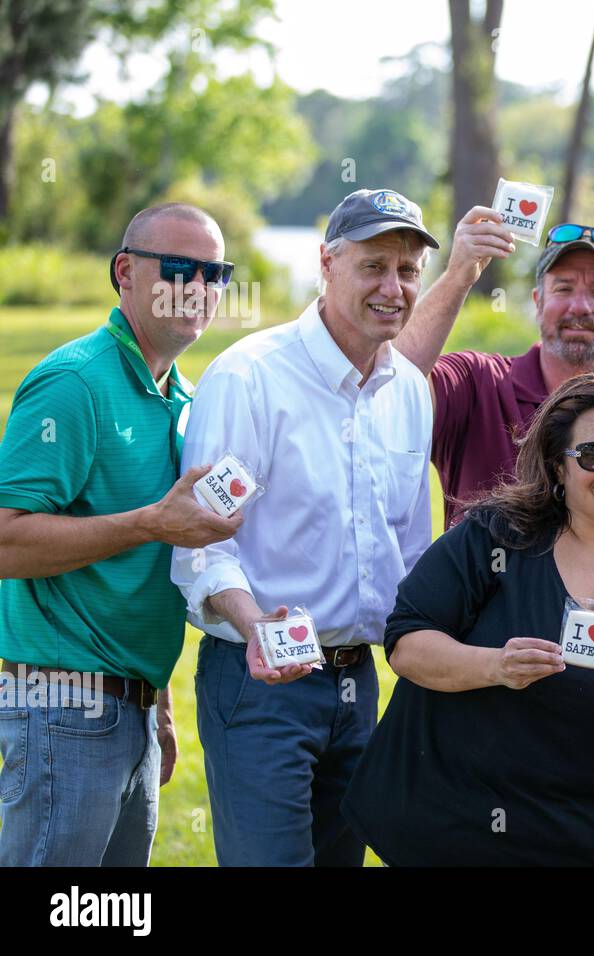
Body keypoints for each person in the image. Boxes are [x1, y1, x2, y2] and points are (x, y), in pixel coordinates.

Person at [341, 373, 594, 865]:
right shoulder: (494, 538)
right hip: (468, 834)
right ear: (558, 467)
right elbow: (405, 642)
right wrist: (495, 667)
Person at [171, 188, 437, 866]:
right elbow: (199, 542)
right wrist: (255, 623)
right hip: (260, 685)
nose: (393, 286)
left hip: (359, 684)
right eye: (373, 265)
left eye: (407, 271)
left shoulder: (409, 388)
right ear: (327, 262)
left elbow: (410, 550)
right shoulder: (249, 376)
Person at [0, 203, 242, 866]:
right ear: (125, 273)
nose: (198, 286)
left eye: (215, 272)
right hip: (60, 702)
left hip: (129, 708)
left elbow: (145, 575)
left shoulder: (185, 400)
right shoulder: (74, 384)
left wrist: (156, 703)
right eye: (179, 268)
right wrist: (152, 523)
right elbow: (5, 542)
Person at [394, 216, 594, 527]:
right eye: (563, 288)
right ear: (538, 302)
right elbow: (393, 382)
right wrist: (458, 276)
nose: (580, 307)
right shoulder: (478, 383)